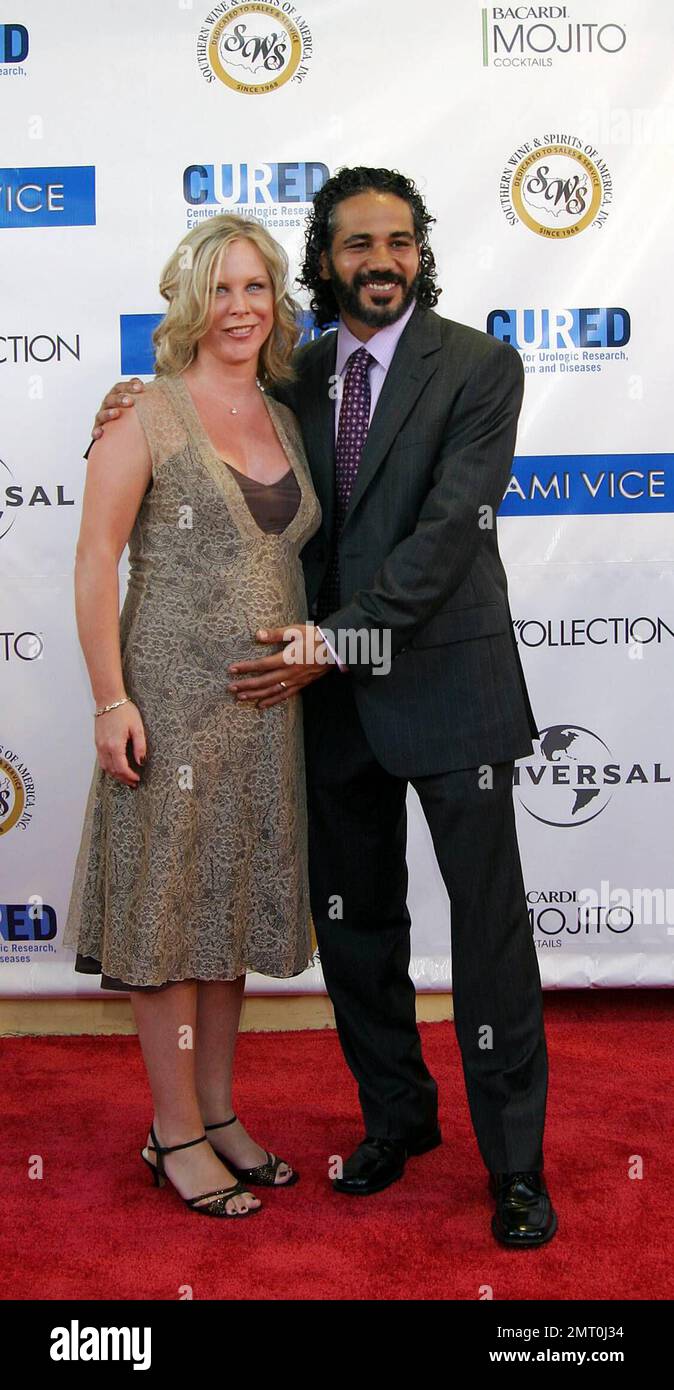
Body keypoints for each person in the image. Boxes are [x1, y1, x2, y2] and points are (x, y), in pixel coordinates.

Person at [91, 167, 557, 1247]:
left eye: (397, 241)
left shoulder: (480, 367)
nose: (380, 260)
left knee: (487, 935)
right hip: (323, 703)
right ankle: (394, 1121)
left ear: (420, 251)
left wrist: (333, 640)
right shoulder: (289, 370)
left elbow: (449, 536)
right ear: (325, 257)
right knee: (357, 934)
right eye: (356, 244)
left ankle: (515, 1165)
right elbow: (203, 408)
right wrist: (133, 400)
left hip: (446, 687)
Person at [65, 212, 322, 1219]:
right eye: (219, 288)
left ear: (276, 304)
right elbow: (94, 562)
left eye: (255, 288)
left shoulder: (284, 415)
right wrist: (109, 699)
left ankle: (216, 1114)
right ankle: (170, 1133)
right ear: (189, 301)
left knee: (228, 911)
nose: (239, 308)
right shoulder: (146, 413)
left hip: (264, 718)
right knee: (170, 921)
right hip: (165, 706)